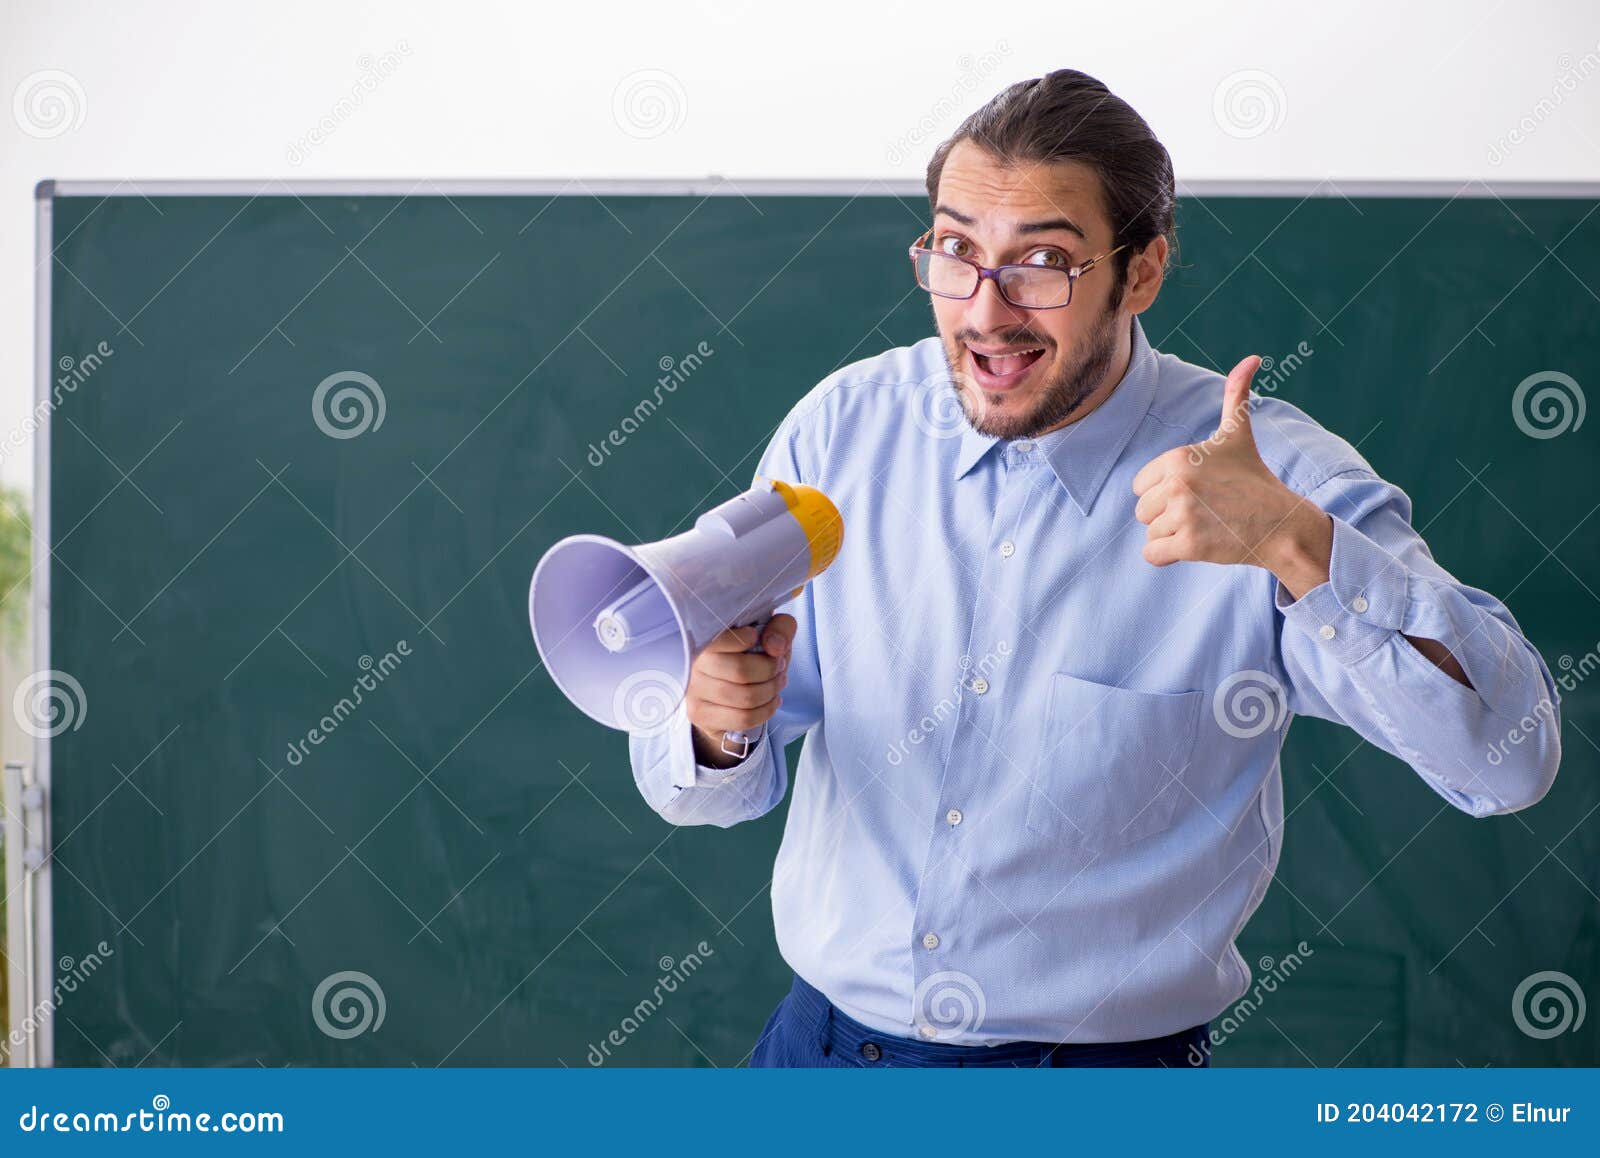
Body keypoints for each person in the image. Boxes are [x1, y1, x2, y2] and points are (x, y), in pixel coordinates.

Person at [628, 69, 1561, 1068]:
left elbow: (1507, 761)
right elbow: (706, 782)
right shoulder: (844, 429)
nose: (986, 311)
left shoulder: (1269, 475)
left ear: (1142, 272)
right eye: (955, 251)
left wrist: (1300, 547)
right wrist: (715, 721)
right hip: (814, 1057)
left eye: (1042, 261)